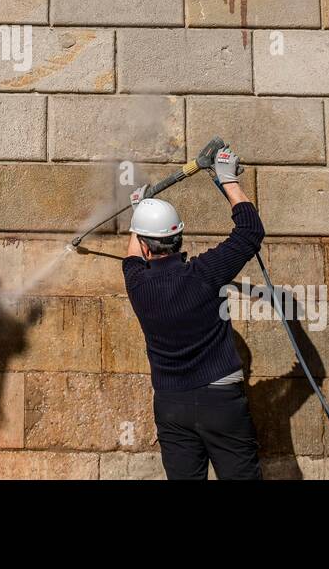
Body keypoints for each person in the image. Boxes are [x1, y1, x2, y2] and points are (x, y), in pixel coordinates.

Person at [123, 145, 267, 480]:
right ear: (179, 236)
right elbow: (250, 232)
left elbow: (132, 256)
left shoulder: (137, 285)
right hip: (221, 402)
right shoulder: (205, 273)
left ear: (145, 244)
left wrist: (138, 212)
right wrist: (228, 179)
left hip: (171, 405)